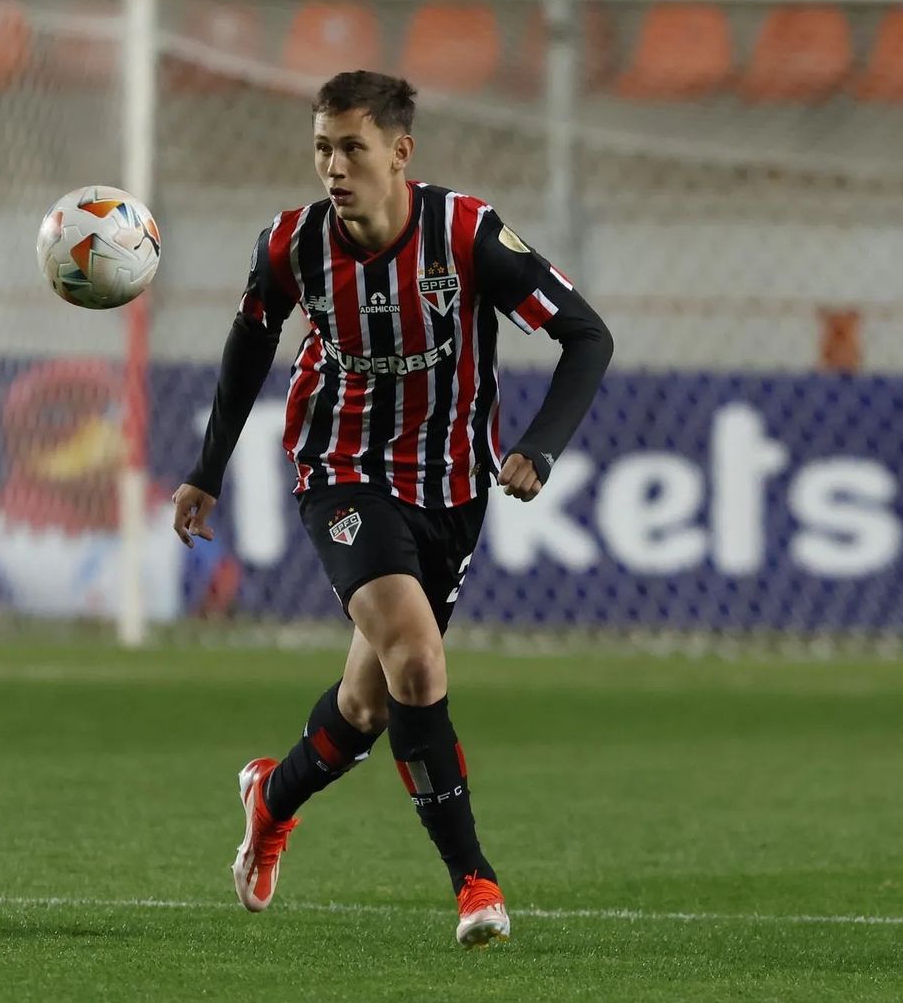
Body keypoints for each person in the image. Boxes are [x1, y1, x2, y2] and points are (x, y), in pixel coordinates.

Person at [172, 70, 613, 949]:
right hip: (340, 474)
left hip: (451, 490)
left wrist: (539, 445)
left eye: (352, 148)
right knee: (416, 658)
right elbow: (246, 353)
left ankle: (272, 798)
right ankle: (474, 883)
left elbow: (586, 337)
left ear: (400, 153)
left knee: (369, 707)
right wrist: (207, 470)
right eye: (322, 148)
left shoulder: (466, 235)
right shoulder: (292, 246)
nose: (333, 166)